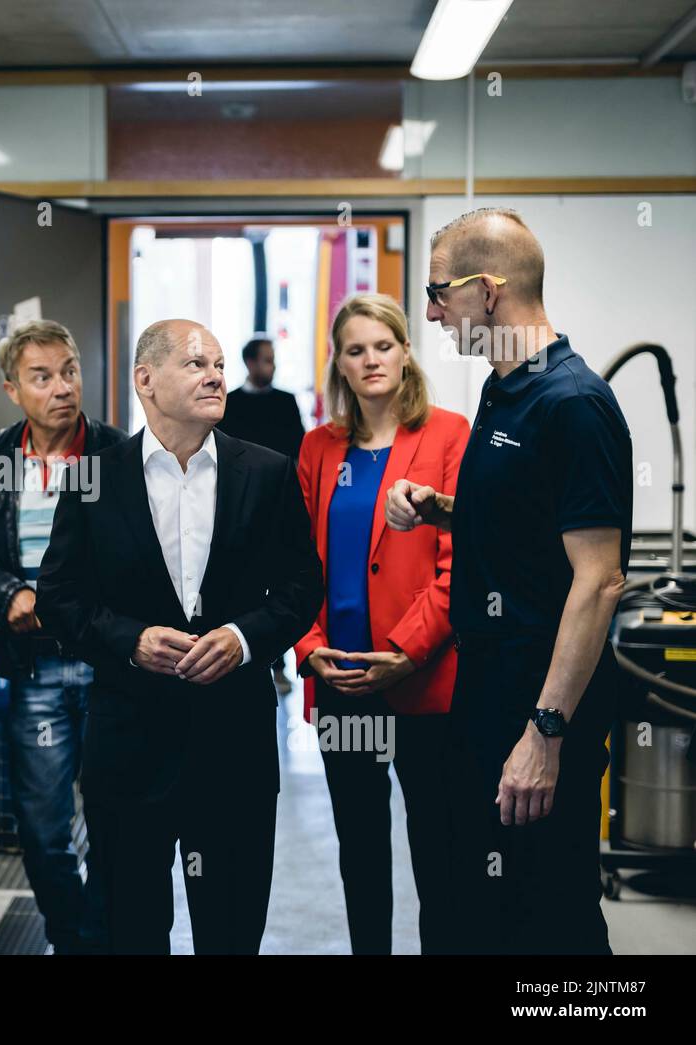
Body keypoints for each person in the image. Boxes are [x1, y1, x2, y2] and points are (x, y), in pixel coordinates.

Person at [386, 208, 632, 954]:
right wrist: (441, 508)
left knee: (552, 912)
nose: (430, 312)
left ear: (486, 292)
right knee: (490, 906)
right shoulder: (504, 387)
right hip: (484, 695)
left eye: (437, 293)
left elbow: (598, 580)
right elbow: (529, 526)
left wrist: (545, 733)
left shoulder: (574, 405)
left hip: (540, 705)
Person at [36, 319, 323, 954]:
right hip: (129, 746)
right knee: (129, 929)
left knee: (231, 928)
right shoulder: (95, 479)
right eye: (197, 364)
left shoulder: (269, 474)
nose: (217, 375)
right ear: (145, 380)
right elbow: (59, 599)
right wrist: (129, 639)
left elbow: (303, 589)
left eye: (219, 364)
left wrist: (244, 639)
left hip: (235, 748)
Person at [293, 293, 470, 954]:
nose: (371, 359)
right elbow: (297, 565)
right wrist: (310, 648)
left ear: (404, 351)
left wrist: (405, 651)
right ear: (338, 362)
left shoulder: (448, 434)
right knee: (361, 854)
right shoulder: (318, 447)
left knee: (440, 855)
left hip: (424, 687)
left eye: (383, 345)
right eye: (355, 349)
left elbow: (461, 566)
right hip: (342, 682)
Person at [0, 320, 126, 954]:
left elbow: (138, 559)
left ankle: (102, 937)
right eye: (41, 377)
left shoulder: (113, 454)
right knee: (43, 829)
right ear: (12, 389)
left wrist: (73, 605)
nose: (61, 388)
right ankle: (70, 937)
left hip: (107, 668)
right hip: (34, 669)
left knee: (113, 824)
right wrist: (10, 593)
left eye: (69, 371)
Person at [218, 334, 307, 697]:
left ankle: (280, 664)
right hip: (238, 504)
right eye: (265, 360)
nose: (270, 367)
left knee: (281, 580)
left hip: (278, 499)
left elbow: (299, 449)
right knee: (247, 581)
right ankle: (245, 657)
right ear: (250, 363)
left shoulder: (285, 402)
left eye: (273, 360)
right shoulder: (232, 403)